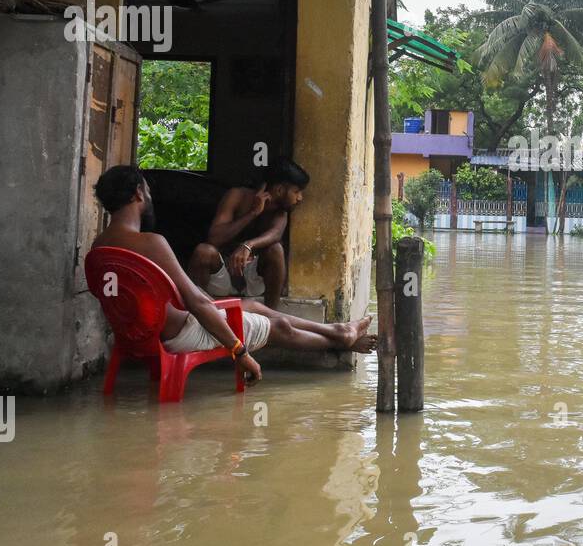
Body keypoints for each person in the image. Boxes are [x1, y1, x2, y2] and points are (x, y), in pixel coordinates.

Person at [91, 165, 375, 384]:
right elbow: (197, 303)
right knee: (276, 327)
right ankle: (343, 338)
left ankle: (339, 331)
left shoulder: (98, 247)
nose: (150, 195)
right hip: (180, 333)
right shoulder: (152, 243)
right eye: (147, 190)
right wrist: (240, 352)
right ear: (138, 194)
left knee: (253, 307)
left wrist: (217, 305)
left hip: (138, 333)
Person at [187, 157, 309, 309]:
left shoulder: (281, 212)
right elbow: (214, 238)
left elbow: (275, 234)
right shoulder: (237, 196)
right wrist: (252, 213)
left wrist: (248, 245)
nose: (300, 198)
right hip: (223, 274)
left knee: (276, 249)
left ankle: (272, 316)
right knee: (203, 251)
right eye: (296, 191)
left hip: (253, 279)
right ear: (279, 190)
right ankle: (197, 313)